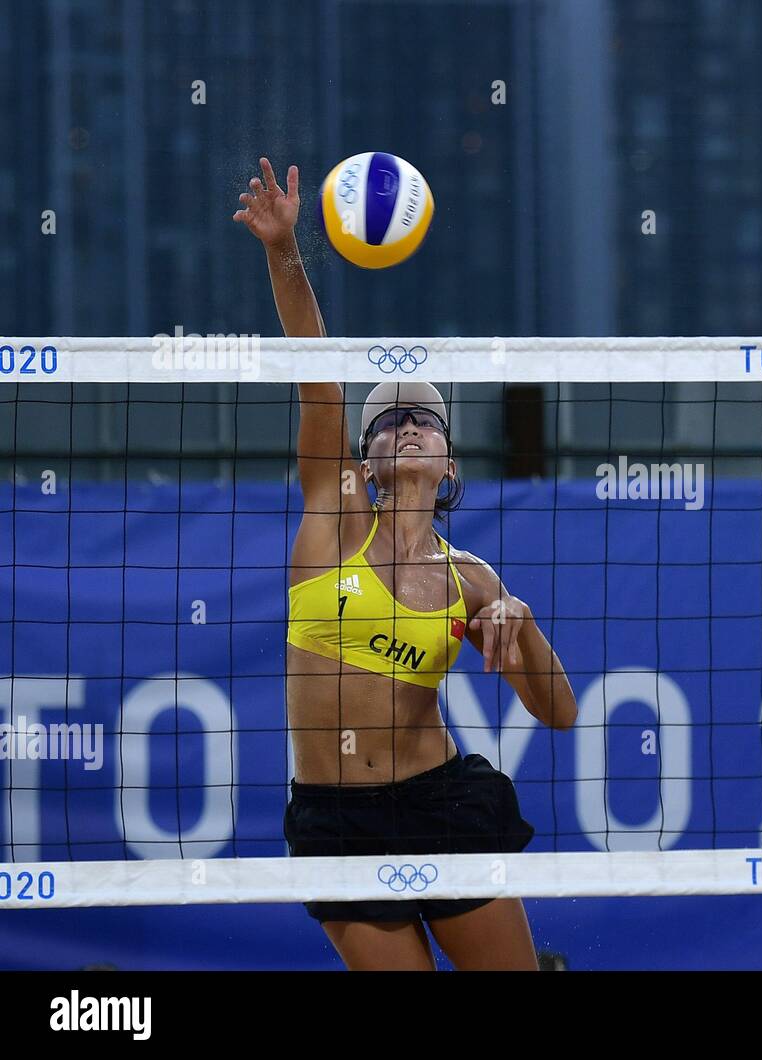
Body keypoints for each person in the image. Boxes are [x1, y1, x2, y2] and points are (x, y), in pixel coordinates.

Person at [234, 157, 578, 971]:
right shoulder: (335, 516)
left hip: (445, 805)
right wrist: (285, 249)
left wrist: (519, 624)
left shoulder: (473, 581)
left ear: (450, 465)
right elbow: (319, 381)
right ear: (368, 460)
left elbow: (560, 714)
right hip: (336, 822)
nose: (409, 426)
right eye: (389, 424)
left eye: (426, 418)